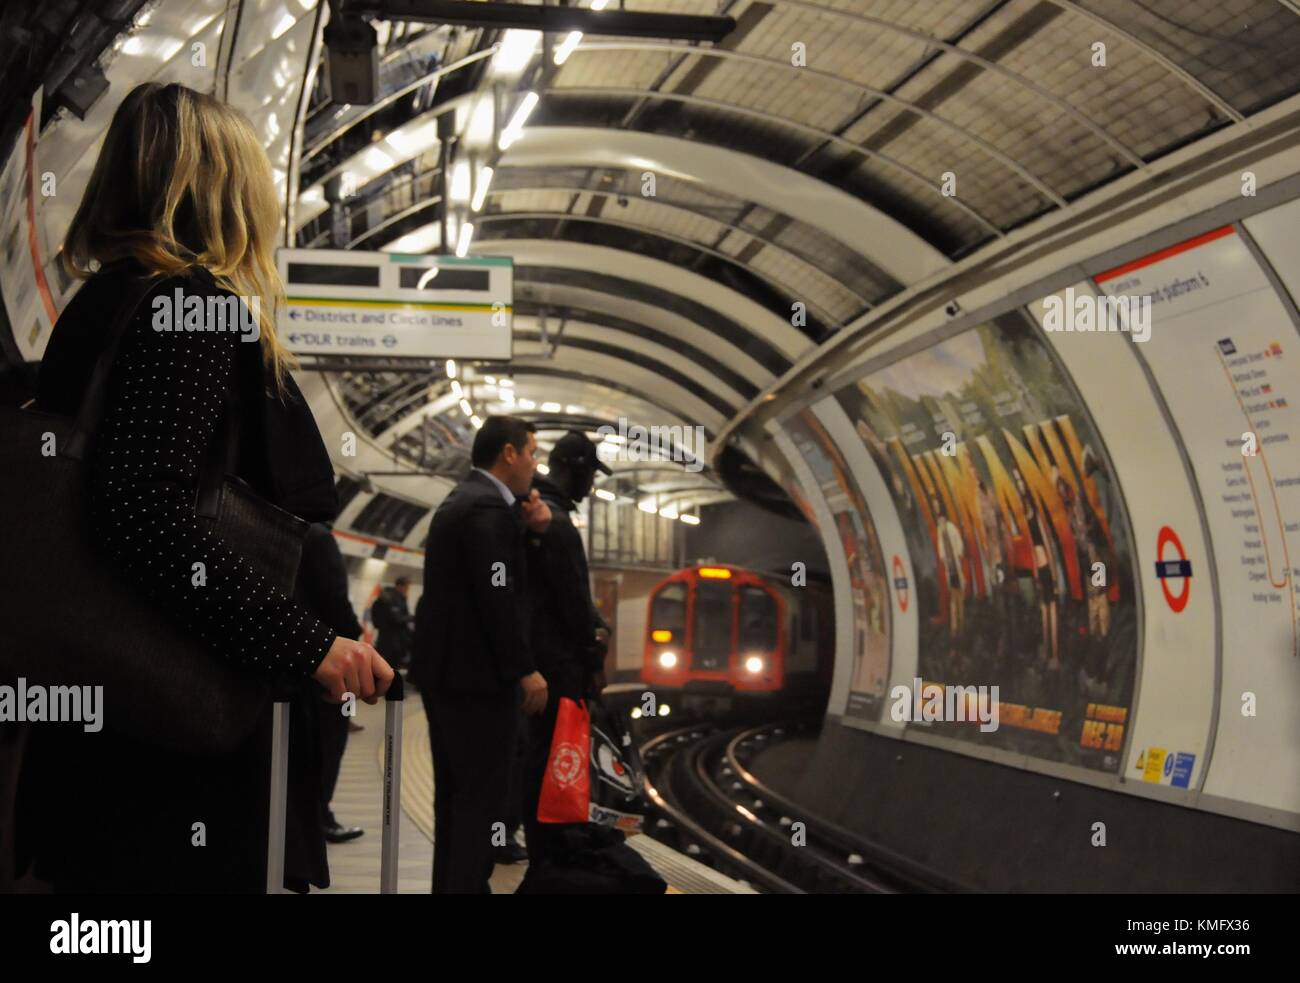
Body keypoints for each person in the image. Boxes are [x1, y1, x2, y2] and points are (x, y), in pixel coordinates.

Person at [14, 82, 393, 893]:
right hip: (167, 726)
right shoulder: (190, 307)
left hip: (97, 708)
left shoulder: (99, 306)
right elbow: (142, 509)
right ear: (224, 190)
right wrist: (306, 644)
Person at [410, 415, 552, 893]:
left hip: (446, 677)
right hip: (476, 682)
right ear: (508, 453)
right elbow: (499, 598)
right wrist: (524, 669)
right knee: (481, 799)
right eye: (532, 451)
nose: (535, 463)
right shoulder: (486, 511)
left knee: (455, 798)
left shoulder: (464, 501)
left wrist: (530, 532)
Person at [520, 432, 612, 868]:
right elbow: (572, 599)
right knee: (555, 766)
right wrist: (593, 649)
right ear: (574, 469)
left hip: (540, 666)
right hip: (557, 670)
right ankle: (553, 862)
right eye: (590, 474)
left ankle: (547, 853)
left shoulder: (541, 512)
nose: (591, 485)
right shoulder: (553, 521)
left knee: (537, 763)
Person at [293, 523, 367, 844]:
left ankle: (300, 820)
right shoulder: (318, 537)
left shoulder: (270, 525)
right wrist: (355, 641)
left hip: (288, 666)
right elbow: (336, 601)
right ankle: (319, 817)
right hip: (325, 666)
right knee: (327, 746)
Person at [371, 576, 415, 670]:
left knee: (384, 667)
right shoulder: (393, 598)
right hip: (393, 641)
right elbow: (397, 618)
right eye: (407, 588)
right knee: (391, 668)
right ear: (400, 586)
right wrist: (412, 617)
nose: (407, 590)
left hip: (385, 638)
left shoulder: (388, 596)